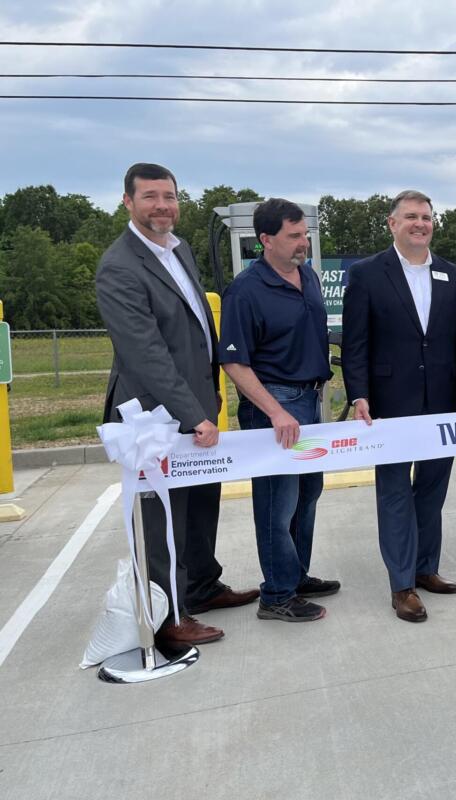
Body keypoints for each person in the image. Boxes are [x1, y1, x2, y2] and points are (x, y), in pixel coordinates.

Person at [95, 162, 258, 650]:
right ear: (128, 202)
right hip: (154, 417)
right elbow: (145, 354)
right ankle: (165, 616)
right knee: (162, 520)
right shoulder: (119, 267)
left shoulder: (178, 249)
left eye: (169, 196)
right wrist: (193, 414)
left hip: (195, 405)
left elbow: (195, 329)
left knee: (201, 503)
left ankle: (202, 586)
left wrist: (209, 398)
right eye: (150, 197)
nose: (162, 206)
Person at [341, 190, 456, 623]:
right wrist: (358, 394)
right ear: (392, 223)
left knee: (432, 487)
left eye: (426, 217)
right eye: (411, 217)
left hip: (441, 401)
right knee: (394, 492)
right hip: (390, 403)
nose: (420, 223)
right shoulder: (367, 274)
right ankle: (402, 585)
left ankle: (426, 567)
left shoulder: (453, 276)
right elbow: (356, 343)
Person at [220, 198, 339, 623]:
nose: (303, 242)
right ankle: (276, 595)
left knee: (307, 494)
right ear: (265, 239)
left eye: (304, 234)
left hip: (309, 400)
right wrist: (274, 411)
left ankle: (296, 575)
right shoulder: (246, 290)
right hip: (275, 406)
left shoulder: (308, 276)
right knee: (277, 503)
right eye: (293, 236)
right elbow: (234, 362)